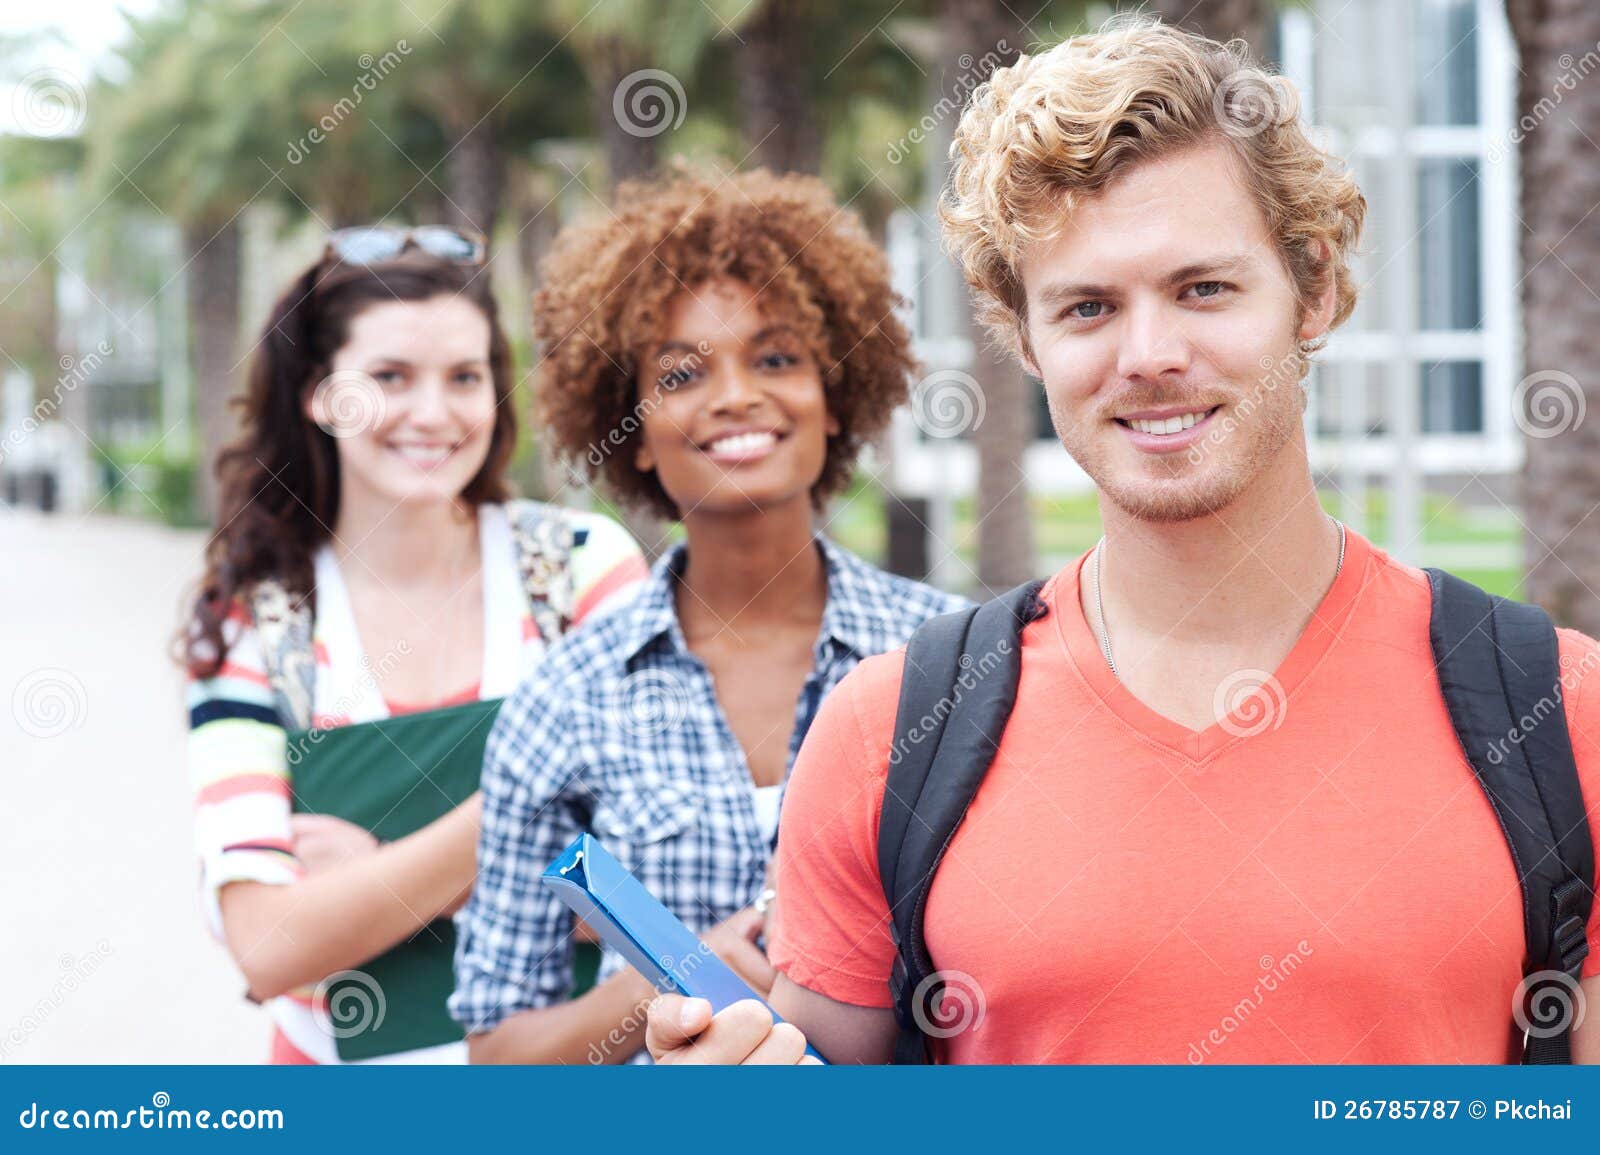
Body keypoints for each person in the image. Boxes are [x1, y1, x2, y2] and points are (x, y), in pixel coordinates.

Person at [644, 19, 1600, 1065]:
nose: (1149, 356)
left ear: (1312, 289)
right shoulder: (887, 737)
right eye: (1089, 307)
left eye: (1204, 289)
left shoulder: (1557, 712)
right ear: (1025, 335)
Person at [449, 167, 970, 1063]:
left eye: (776, 358)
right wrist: (678, 973)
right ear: (632, 429)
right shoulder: (566, 702)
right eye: (682, 373)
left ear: (834, 394)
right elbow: (501, 1060)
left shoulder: (963, 661)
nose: (735, 394)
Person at [182, 228, 647, 1064]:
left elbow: (664, 882)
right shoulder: (258, 618)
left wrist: (383, 871)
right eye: (391, 377)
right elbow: (269, 944)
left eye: (465, 378)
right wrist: (543, 830)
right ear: (321, 396)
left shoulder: (582, 572)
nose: (433, 414)